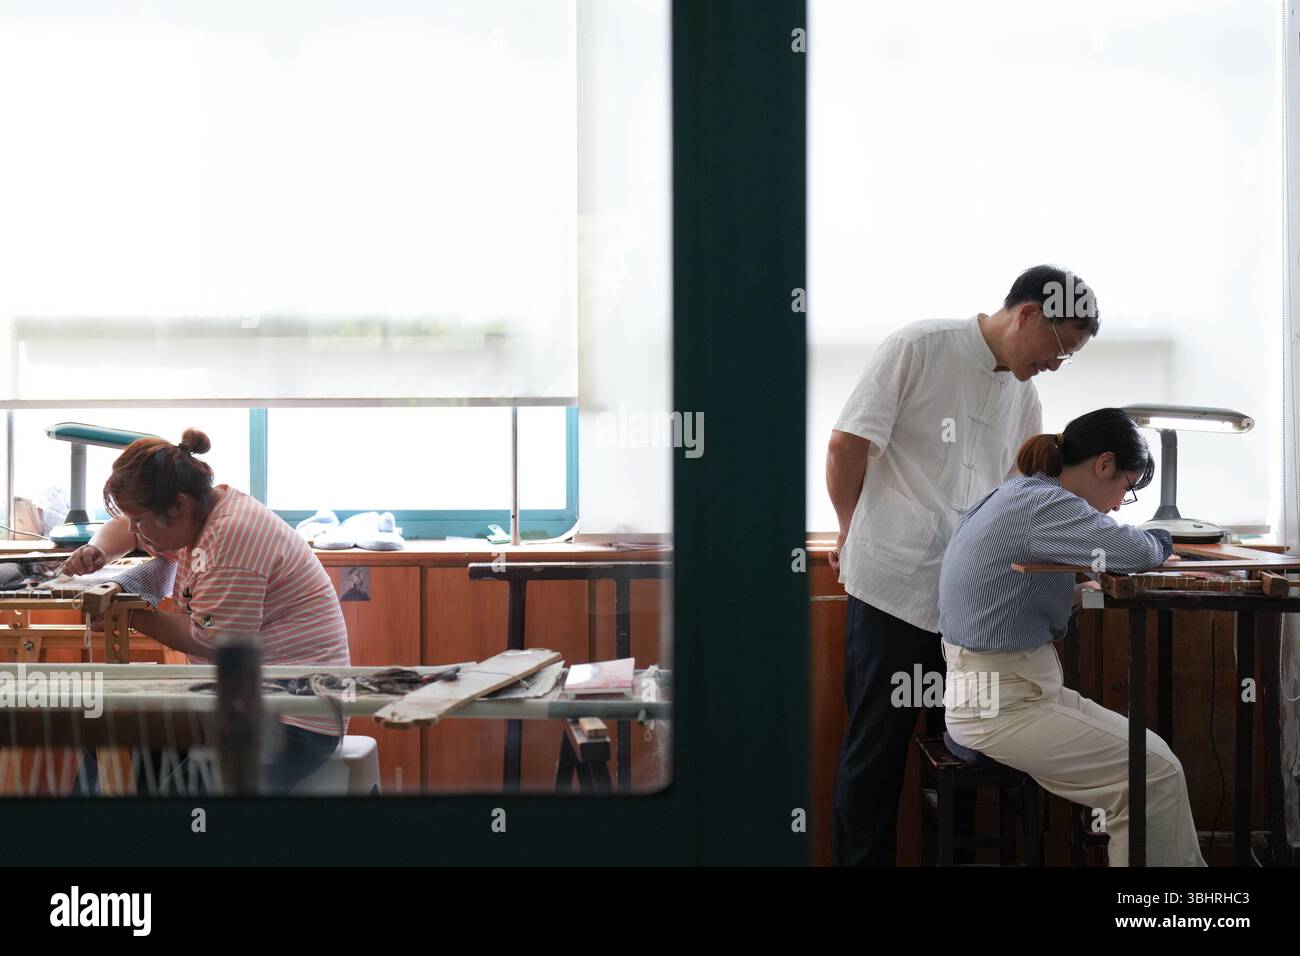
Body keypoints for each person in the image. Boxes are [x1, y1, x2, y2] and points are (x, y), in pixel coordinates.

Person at [826, 264, 1098, 865]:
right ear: (1027, 313)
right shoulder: (919, 347)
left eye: (1069, 356)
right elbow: (848, 444)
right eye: (1060, 346)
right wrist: (850, 532)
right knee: (875, 753)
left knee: (974, 745)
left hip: (972, 611)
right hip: (892, 590)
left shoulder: (1024, 396)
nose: (1057, 363)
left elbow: (1017, 497)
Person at [938, 408, 1205, 866]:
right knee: (1152, 775)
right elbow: (1131, 551)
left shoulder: (1018, 494)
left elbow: (1008, 596)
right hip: (1001, 705)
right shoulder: (1045, 504)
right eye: (1127, 487)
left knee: (1157, 759)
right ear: (1104, 465)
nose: (1120, 505)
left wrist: (1075, 593)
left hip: (1010, 691)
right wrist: (1163, 538)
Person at [61, 428, 351, 793]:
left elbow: (213, 639)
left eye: (141, 520)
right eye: (133, 520)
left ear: (179, 506)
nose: (136, 530)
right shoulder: (199, 513)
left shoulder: (234, 537)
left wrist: (127, 612)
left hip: (295, 720)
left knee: (180, 799)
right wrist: (99, 550)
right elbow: (128, 528)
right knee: (107, 738)